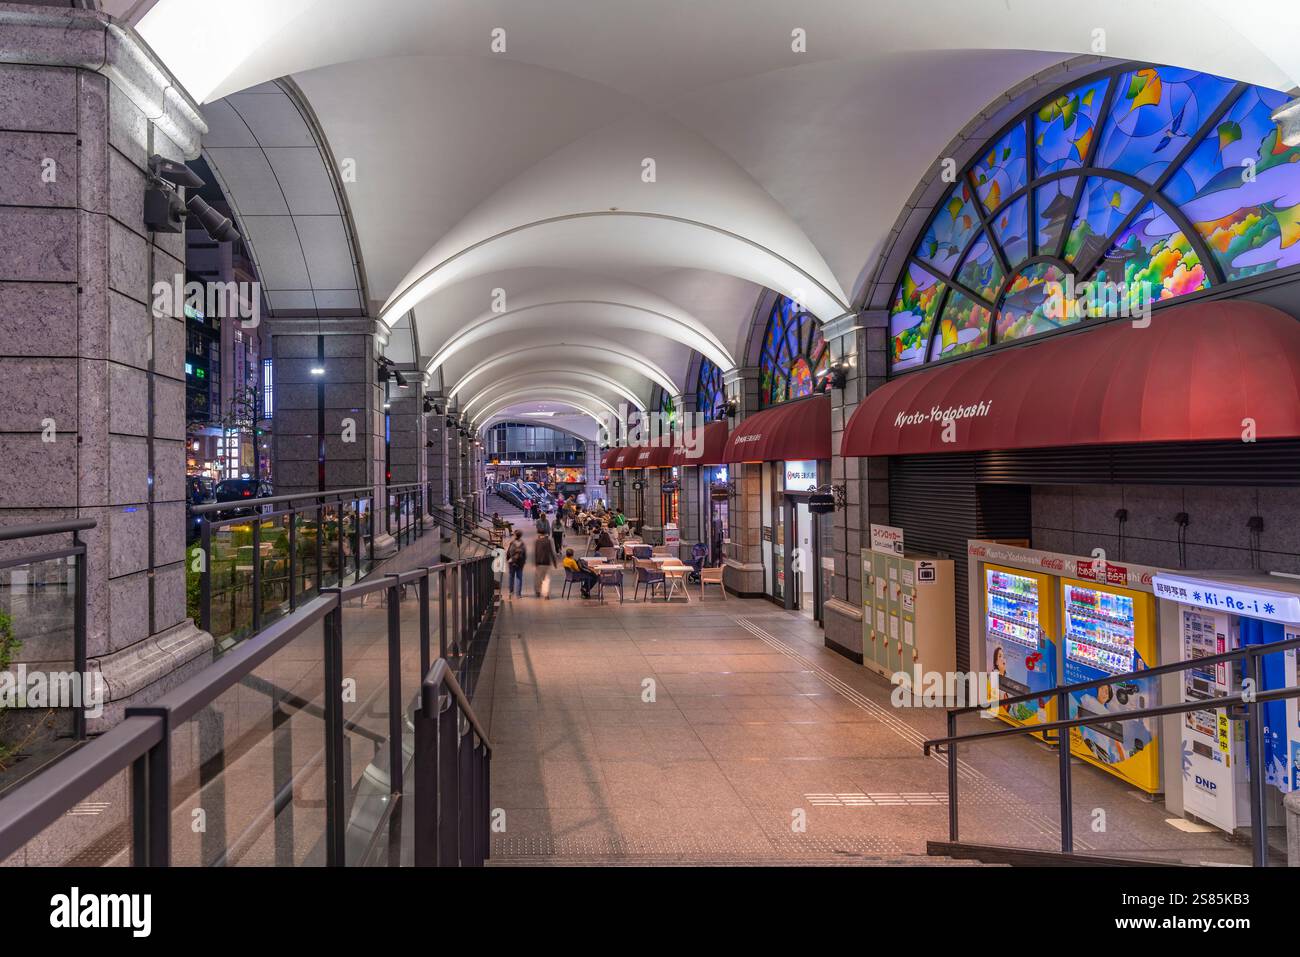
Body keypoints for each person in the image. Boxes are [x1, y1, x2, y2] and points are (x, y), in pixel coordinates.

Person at [533, 530, 557, 597]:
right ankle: (546, 594)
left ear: (539, 534)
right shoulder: (548, 541)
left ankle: (538, 592)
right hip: (547, 562)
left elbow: (536, 552)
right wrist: (554, 562)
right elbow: (551, 552)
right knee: (547, 579)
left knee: (538, 578)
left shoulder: (537, 541)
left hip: (539, 563)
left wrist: (535, 563)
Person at [505, 530, 526, 599]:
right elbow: (524, 554)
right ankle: (518, 594)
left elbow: (508, 553)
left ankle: (511, 591)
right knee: (519, 578)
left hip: (512, 562)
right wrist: (523, 562)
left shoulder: (512, 543)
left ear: (515, 535)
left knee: (511, 577)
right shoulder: (522, 544)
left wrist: (507, 559)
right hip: (520, 563)